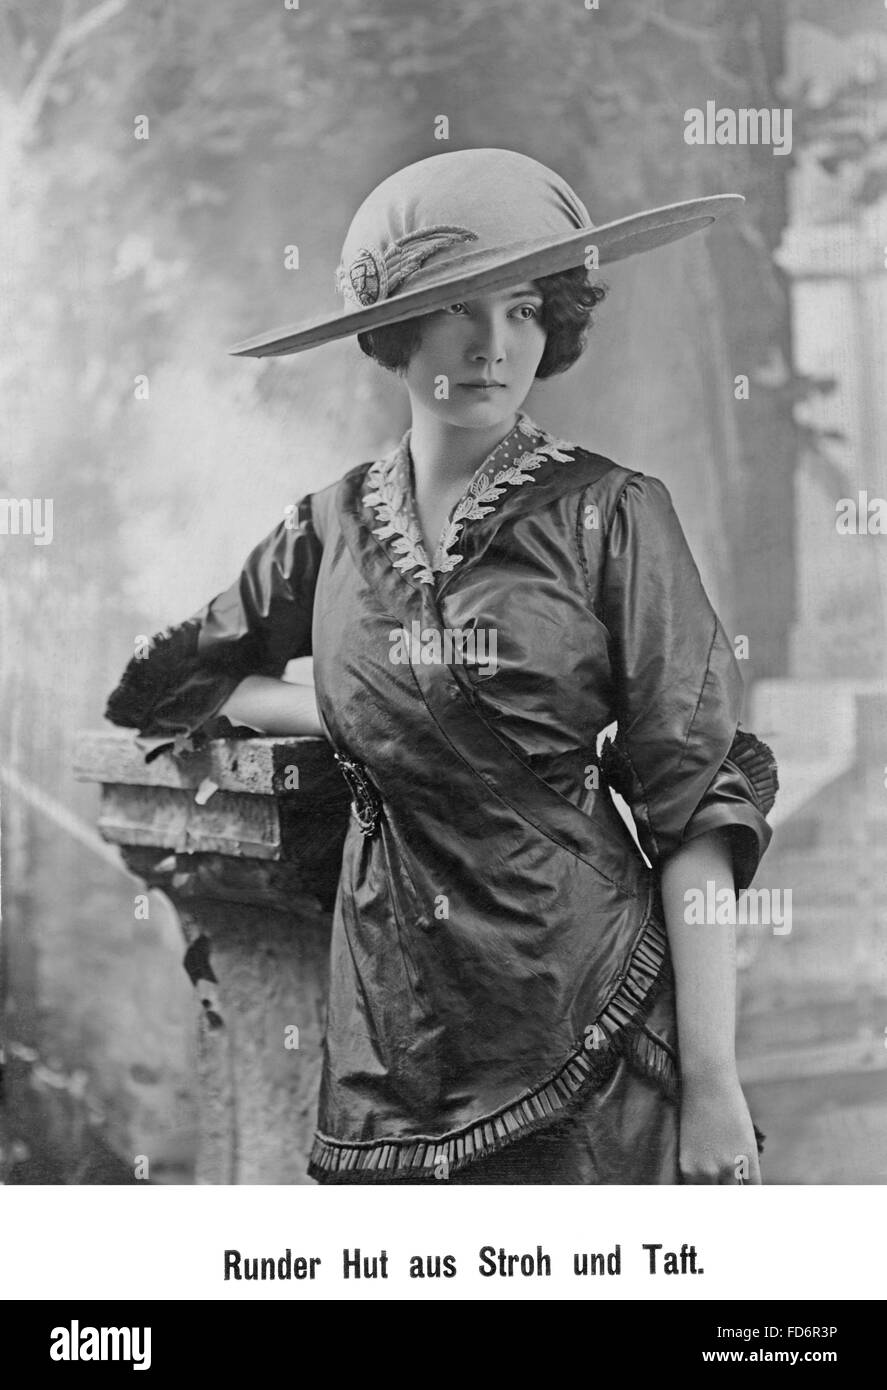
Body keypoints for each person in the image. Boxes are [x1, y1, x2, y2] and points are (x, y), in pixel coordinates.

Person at [106, 148, 778, 1185]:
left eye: (522, 308)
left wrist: (716, 1076)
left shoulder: (612, 514)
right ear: (391, 329)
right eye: (456, 307)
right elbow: (180, 681)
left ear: (555, 319)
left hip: (590, 1025)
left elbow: (694, 808)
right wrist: (347, 704)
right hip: (389, 1051)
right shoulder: (328, 528)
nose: (490, 345)